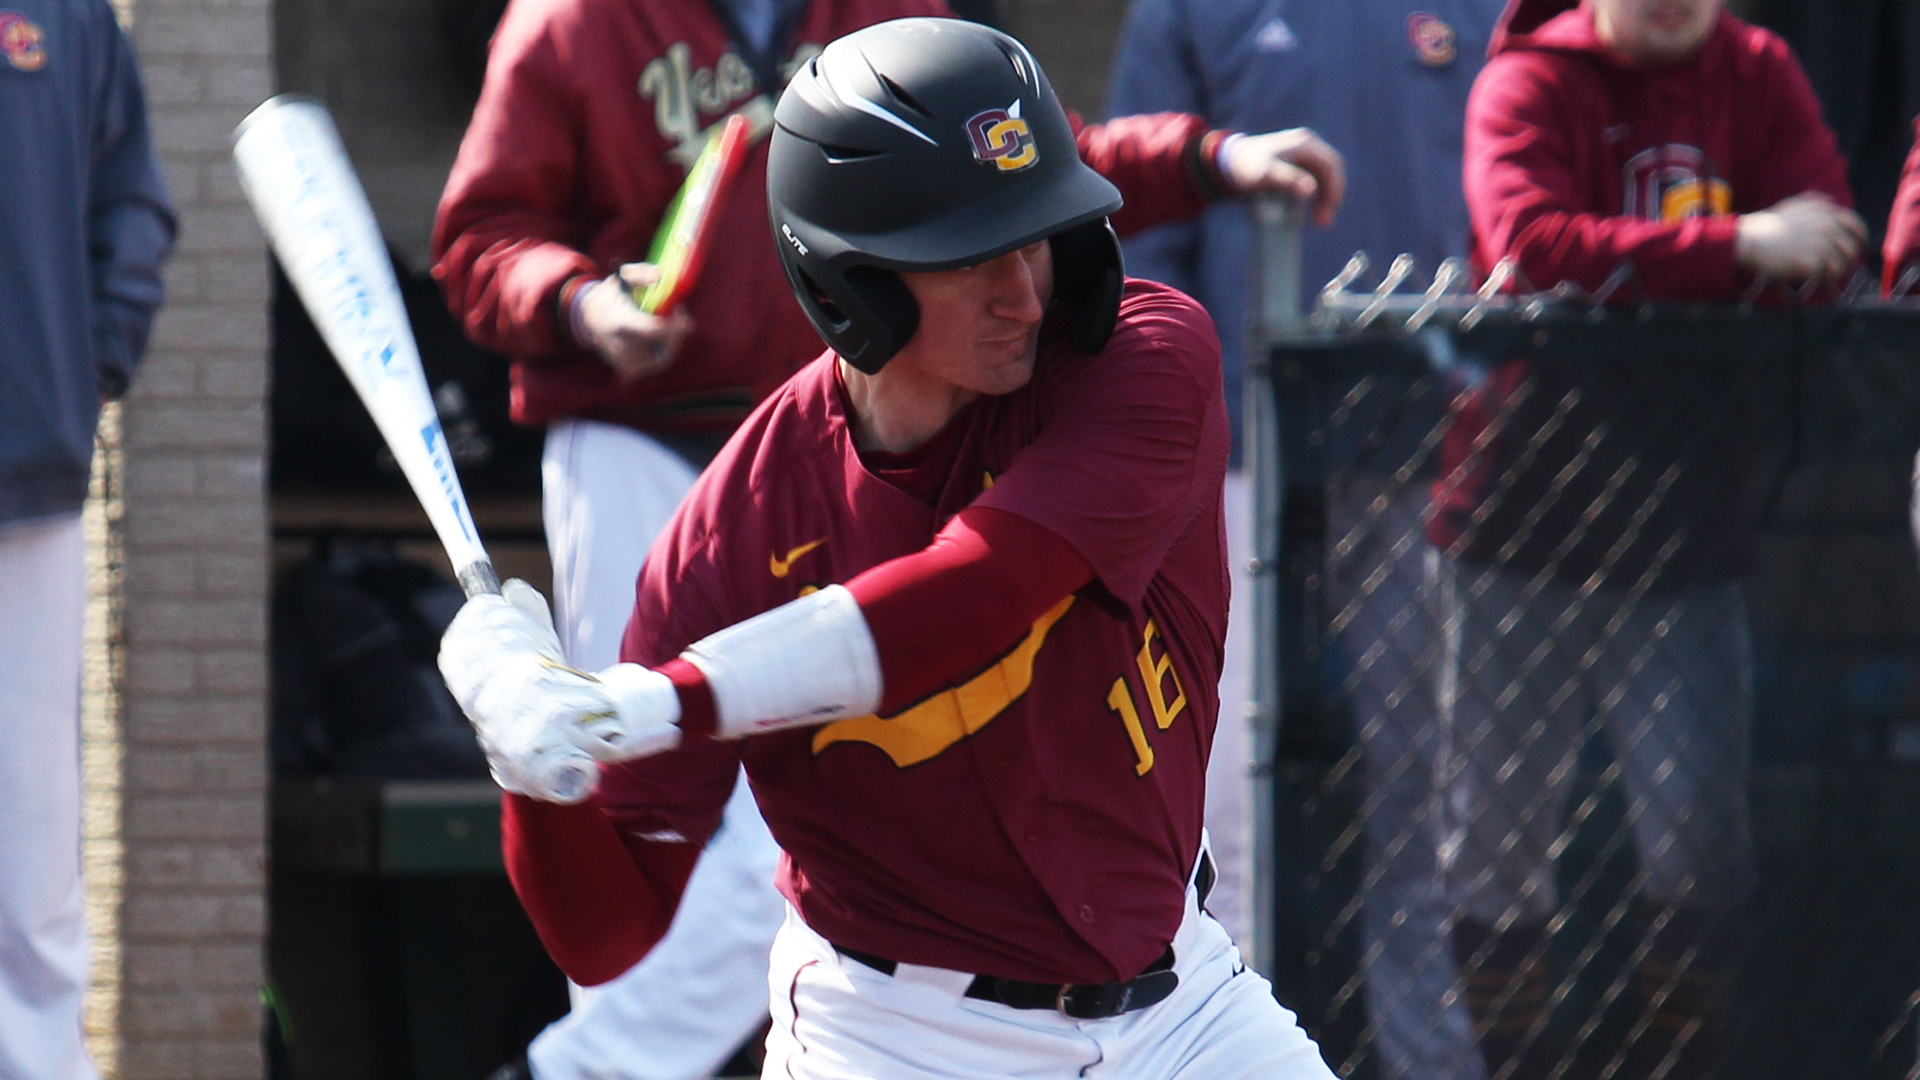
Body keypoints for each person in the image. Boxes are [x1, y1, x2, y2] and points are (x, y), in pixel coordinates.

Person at [431, 0, 1342, 1075]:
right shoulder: (735, 531)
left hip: (1183, 1005)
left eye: (1039, 239)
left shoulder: (1142, 358)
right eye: (968, 258)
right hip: (901, 1039)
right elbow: (605, 935)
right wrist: (535, 769)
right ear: (848, 282)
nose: (1022, 293)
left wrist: (658, 699)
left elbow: (983, 589)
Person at [1437, 1, 1862, 1077]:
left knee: (1700, 852)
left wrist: (1704, 258)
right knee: (1496, 855)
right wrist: (1737, 247)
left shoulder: (1755, 70)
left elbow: (1832, 237)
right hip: (1518, 525)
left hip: (1691, 531)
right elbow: (1532, 245)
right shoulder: (1530, 77)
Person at [1105, 5, 1504, 1080]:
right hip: (1227, 453)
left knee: (1427, 785)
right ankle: (1211, 1060)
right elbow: (1138, 222)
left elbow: (1510, 189)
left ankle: (1434, 1063)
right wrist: (1165, 429)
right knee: (1209, 793)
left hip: (1425, 442)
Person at [0, 3, 176, 1078]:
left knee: (32, 853)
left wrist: (91, 364)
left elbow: (133, 201)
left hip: (27, 475)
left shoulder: (64, 16)